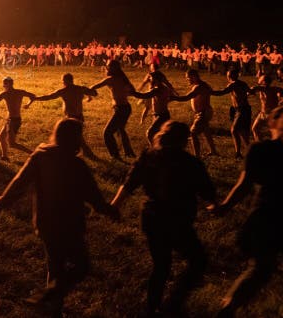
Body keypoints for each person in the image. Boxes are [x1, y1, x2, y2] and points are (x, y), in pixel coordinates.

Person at [0, 119, 119, 313]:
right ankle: (48, 295)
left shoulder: (40, 156)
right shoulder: (76, 164)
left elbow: (18, 184)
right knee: (81, 266)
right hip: (70, 225)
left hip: (45, 223)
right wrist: (110, 210)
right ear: (75, 138)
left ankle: (52, 307)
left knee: (55, 265)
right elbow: (94, 198)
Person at [111, 121, 216, 315]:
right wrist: (215, 205)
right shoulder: (190, 163)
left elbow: (129, 183)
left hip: (151, 218)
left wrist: (114, 206)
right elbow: (208, 192)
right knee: (198, 261)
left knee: (161, 265)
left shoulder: (148, 156)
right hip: (177, 220)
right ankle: (173, 303)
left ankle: (152, 308)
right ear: (184, 140)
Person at [211, 105, 283, 316]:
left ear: (270, 122)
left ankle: (230, 306)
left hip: (265, 214)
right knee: (261, 268)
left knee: (260, 269)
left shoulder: (260, 150)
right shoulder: (261, 150)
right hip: (270, 216)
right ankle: (230, 306)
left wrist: (224, 206)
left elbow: (244, 185)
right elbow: (244, 184)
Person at [28, 73, 98, 158]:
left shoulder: (64, 91)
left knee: (75, 137)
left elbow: (49, 97)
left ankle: (88, 154)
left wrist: (36, 98)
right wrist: (88, 92)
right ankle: (81, 153)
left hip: (70, 117)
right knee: (75, 137)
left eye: (63, 81)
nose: (62, 82)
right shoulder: (80, 88)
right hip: (79, 116)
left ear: (65, 81)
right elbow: (94, 93)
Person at [90, 60, 137, 160]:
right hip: (126, 107)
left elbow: (94, 87)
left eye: (107, 66)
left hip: (121, 109)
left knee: (107, 133)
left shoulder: (110, 79)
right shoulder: (123, 78)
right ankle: (129, 153)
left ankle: (115, 155)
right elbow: (133, 91)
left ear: (112, 68)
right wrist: (122, 93)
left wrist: (91, 94)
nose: (106, 67)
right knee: (120, 129)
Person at [170, 70, 218, 158]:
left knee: (193, 133)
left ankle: (197, 156)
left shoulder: (199, 87)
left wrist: (173, 98)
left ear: (194, 76)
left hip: (203, 113)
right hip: (202, 112)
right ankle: (213, 151)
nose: (187, 79)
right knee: (206, 131)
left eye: (188, 78)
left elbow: (186, 97)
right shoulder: (202, 85)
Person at [0, 76, 36, 161]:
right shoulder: (20, 92)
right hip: (10, 120)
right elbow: (33, 96)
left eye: (4, 84)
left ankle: (33, 153)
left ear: (8, 84)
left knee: (12, 144)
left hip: (13, 121)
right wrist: (28, 104)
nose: (3, 86)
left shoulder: (5, 94)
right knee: (1, 136)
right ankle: (4, 156)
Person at [212, 69, 253, 158]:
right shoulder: (243, 83)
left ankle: (241, 152)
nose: (227, 77)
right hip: (241, 109)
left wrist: (210, 92)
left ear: (230, 76)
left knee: (234, 130)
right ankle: (244, 153)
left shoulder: (233, 84)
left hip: (242, 110)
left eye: (228, 75)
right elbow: (250, 92)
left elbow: (222, 92)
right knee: (242, 132)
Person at [131, 71, 174, 148]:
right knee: (159, 135)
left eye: (151, 78)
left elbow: (144, 95)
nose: (149, 80)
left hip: (161, 115)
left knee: (150, 133)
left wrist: (132, 93)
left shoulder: (157, 90)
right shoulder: (164, 88)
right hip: (161, 114)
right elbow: (170, 97)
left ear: (156, 79)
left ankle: (156, 150)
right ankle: (161, 149)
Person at [248, 74, 282, 141]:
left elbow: (254, 88)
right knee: (255, 129)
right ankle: (260, 144)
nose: (258, 79)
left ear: (264, 81)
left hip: (271, 114)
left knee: (275, 134)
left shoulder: (268, 88)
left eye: (260, 78)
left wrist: (249, 92)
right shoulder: (272, 89)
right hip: (262, 113)